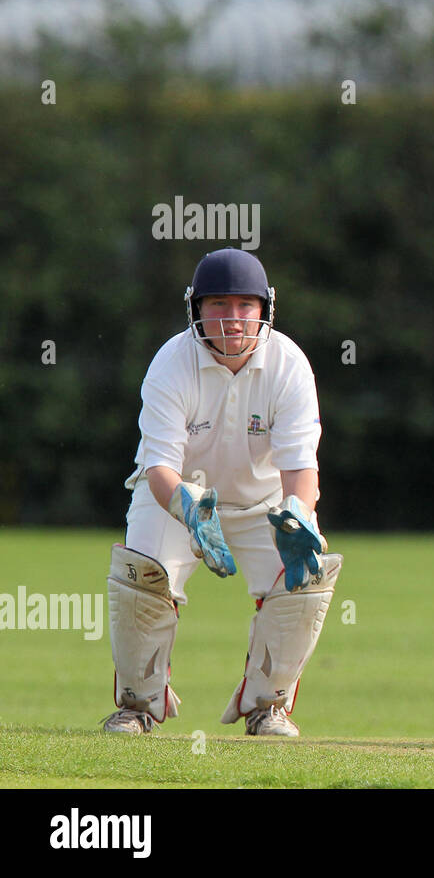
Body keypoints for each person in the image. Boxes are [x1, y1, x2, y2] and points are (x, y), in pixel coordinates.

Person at [102, 248, 340, 737]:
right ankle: (138, 705)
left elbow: (302, 468)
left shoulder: (289, 364)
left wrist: (297, 515)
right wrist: (190, 512)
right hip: (177, 499)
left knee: (306, 579)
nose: (233, 320)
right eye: (218, 306)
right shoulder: (172, 362)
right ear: (196, 310)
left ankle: (267, 707)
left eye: (244, 306)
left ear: (265, 309)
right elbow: (159, 467)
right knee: (141, 576)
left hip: (264, 505)